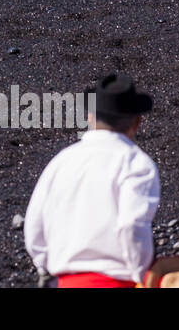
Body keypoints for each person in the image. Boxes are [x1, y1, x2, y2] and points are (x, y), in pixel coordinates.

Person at [24, 72, 160, 287]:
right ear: (137, 122)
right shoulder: (137, 164)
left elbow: (34, 227)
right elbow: (131, 226)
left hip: (66, 282)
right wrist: (140, 273)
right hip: (117, 281)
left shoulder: (62, 161)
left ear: (90, 116)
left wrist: (45, 267)